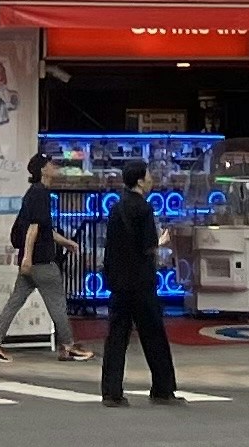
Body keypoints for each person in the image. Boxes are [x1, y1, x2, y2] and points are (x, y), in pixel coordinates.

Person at [0, 152, 72, 364]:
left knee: (15, 301)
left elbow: (44, 229)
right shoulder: (40, 193)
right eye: (50, 163)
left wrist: (66, 242)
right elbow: (33, 228)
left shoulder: (34, 193)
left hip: (30, 262)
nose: (54, 166)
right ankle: (68, 346)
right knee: (57, 303)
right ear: (42, 169)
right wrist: (29, 257)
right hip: (41, 260)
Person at [93, 165, 172, 408]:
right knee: (154, 335)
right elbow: (148, 245)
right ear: (140, 180)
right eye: (148, 175)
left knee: (116, 337)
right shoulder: (144, 207)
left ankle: (111, 392)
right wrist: (162, 240)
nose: (151, 179)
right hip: (141, 281)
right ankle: (162, 388)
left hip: (119, 281)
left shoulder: (117, 207)